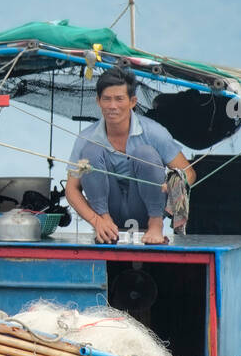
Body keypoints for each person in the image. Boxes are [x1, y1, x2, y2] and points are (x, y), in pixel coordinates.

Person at [65, 67, 195, 244]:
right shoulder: (86, 137)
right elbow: (72, 189)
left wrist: (173, 185)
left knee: (145, 152)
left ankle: (155, 226)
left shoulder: (154, 132)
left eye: (119, 99)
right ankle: (106, 225)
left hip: (146, 208)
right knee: (91, 152)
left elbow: (188, 173)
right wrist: (97, 221)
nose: (112, 106)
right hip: (108, 210)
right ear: (98, 101)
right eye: (107, 99)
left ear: (133, 101)